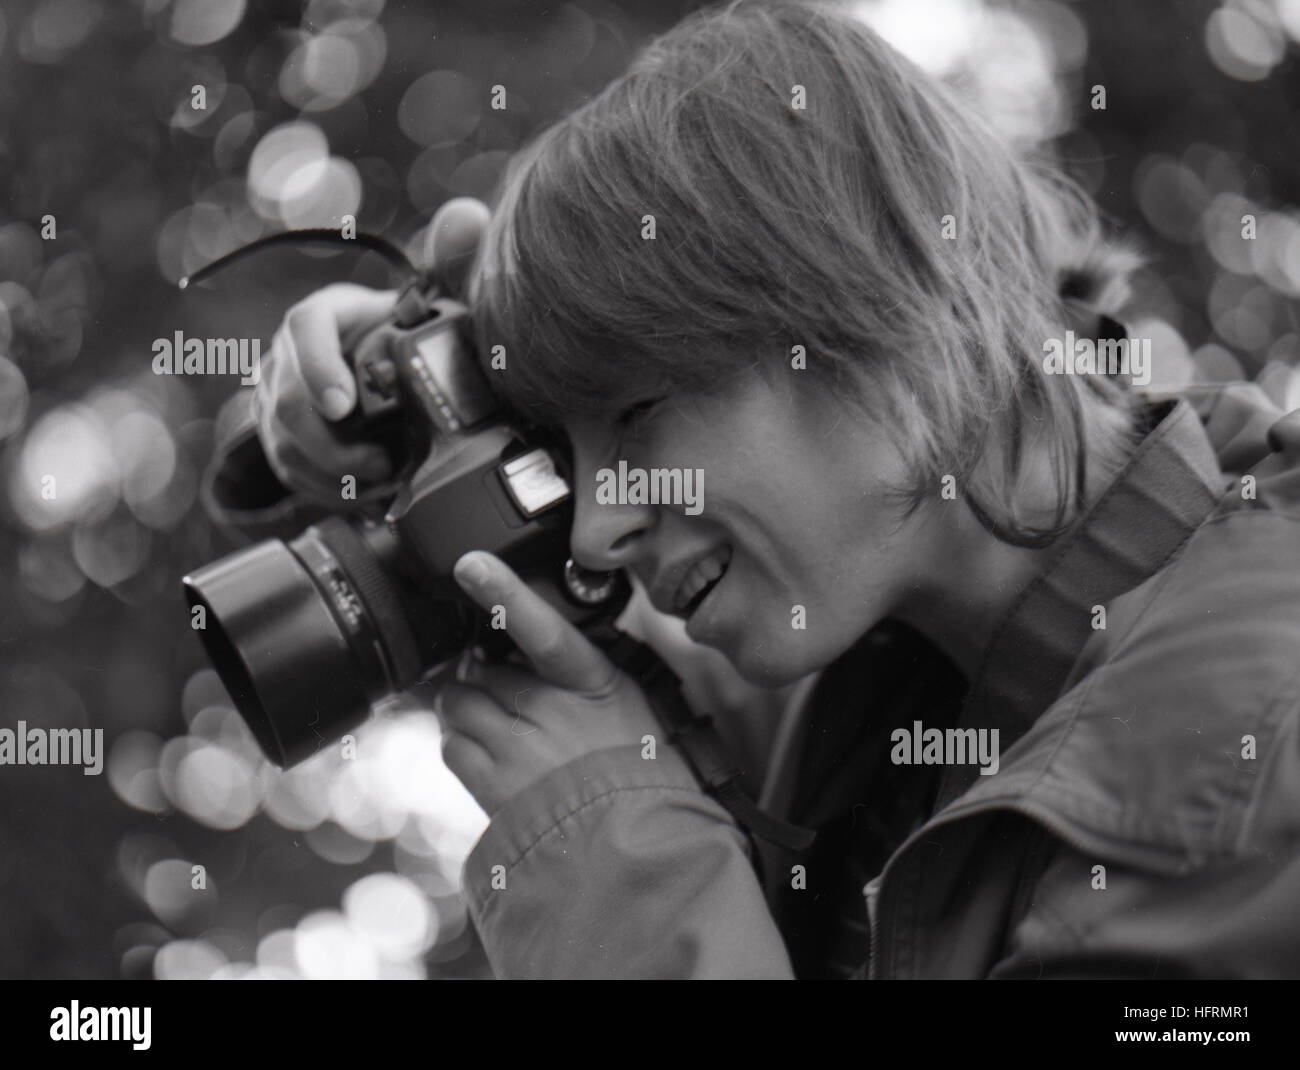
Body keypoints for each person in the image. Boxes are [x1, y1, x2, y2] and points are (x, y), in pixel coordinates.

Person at [230, 0, 1300, 977]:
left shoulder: (1239, 762)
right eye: (558, 449)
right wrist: (347, 413)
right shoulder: (884, 663)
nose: (597, 531)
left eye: (639, 415)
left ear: (879, 308)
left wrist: (621, 877)